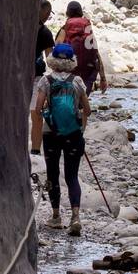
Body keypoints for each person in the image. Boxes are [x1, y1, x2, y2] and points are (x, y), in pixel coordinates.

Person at [30, 43, 91, 236]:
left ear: (53, 60)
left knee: (53, 174)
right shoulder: (77, 81)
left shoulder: (45, 81)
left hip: (51, 134)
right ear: (72, 60)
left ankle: (56, 216)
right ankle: (75, 217)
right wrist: (79, 126)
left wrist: (48, 114)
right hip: (73, 134)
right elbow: (87, 110)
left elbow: (38, 109)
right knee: (72, 176)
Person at [56, 0, 109, 95]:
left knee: (68, 101)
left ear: (67, 13)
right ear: (81, 13)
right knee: (82, 101)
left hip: (69, 72)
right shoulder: (87, 29)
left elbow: (56, 52)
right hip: (88, 71)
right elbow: (96, 53)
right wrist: (103, 78)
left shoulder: (65, 28)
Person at [35, 0, 54, 77]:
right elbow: (50, 59)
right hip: (35, 71)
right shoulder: (46, 33)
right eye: (48, 13)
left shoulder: (21, 26)